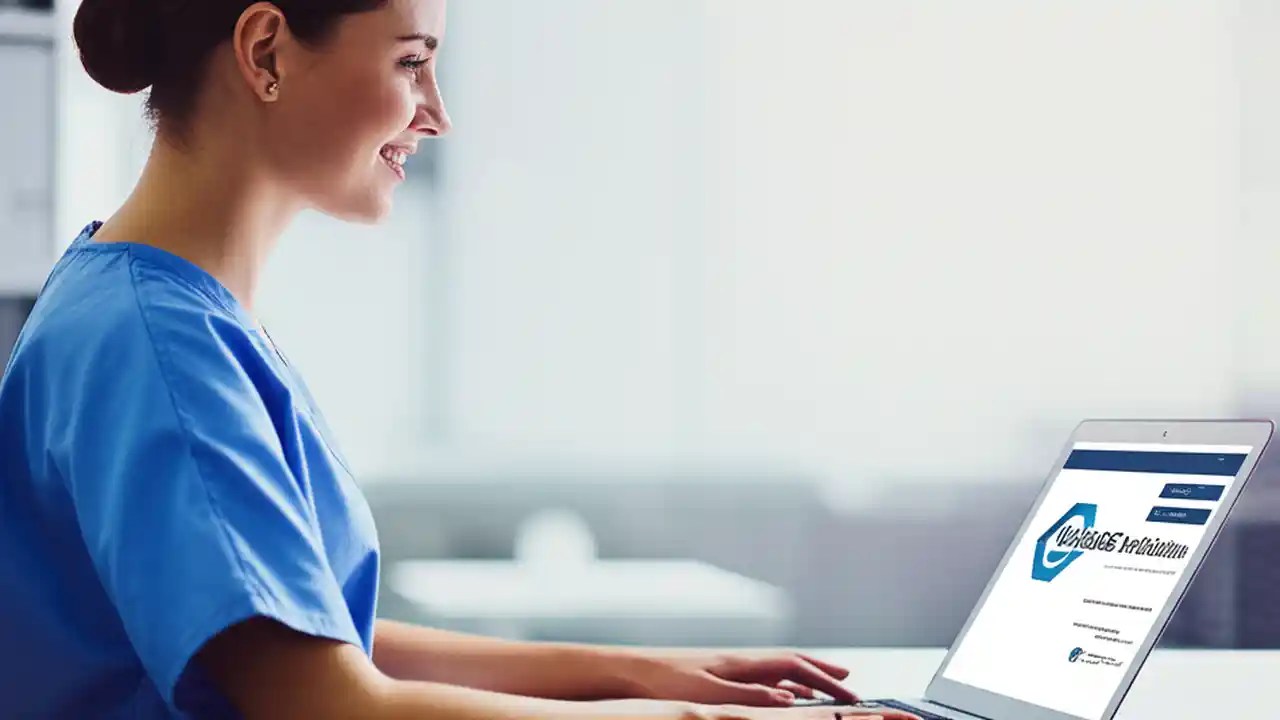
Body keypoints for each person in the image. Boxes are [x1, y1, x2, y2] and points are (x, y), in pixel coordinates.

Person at [0, 1, 920, 718]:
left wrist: (638, 672)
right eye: (412, 63)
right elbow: (329, 706)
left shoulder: (149, 305)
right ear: (267, 51)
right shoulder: (161, 347)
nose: (438, 114)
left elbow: (306, 646)